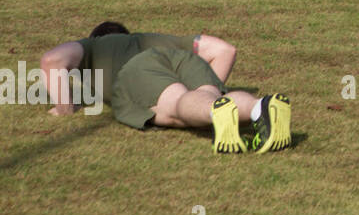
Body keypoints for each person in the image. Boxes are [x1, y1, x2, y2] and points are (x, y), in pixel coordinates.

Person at [38, 21, 291, 154]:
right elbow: (224, 50)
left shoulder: (94, 46)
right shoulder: (150, 38)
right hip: (182, 61)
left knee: (178, 108)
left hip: (140, 71)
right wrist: (202, 93)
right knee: (206, 96)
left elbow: (52, 60)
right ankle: (260, 107)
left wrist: (64, 108)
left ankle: (213, 110)